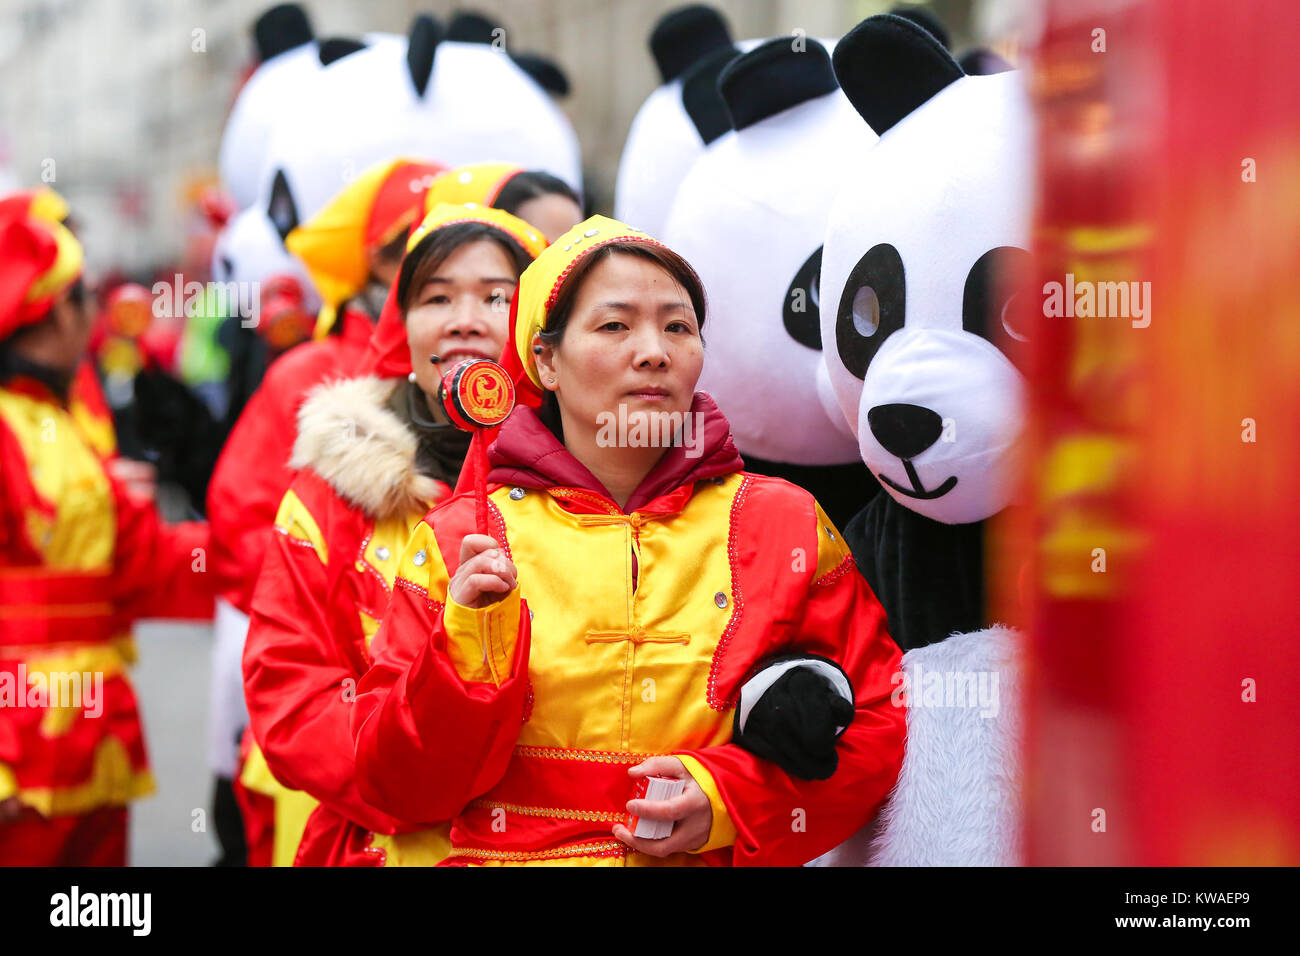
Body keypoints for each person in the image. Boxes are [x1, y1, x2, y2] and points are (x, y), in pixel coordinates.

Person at [350, 215, 906, 866]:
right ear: (546, 361)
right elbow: (398, 785)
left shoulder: (782, 522)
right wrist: (466, 648)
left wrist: (729, 800)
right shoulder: (460, 540)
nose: (654, 352)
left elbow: (878, 721)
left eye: (678, 326)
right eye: (615, 325)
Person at [242, 203, 546, 865]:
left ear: (540, 329)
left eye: (497, 296)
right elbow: (288, 687)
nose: (464, 318)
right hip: (379, 838)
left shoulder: (589, 484)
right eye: (436, 297)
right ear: (401, 324)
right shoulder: (331, 490)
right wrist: (410, 786)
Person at [0, 189, 212, 865]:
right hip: (18, 752)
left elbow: (145, 562)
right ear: (58, 311)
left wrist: (288, 544)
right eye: (85, 297)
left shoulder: (71, 420)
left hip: (97, 733)